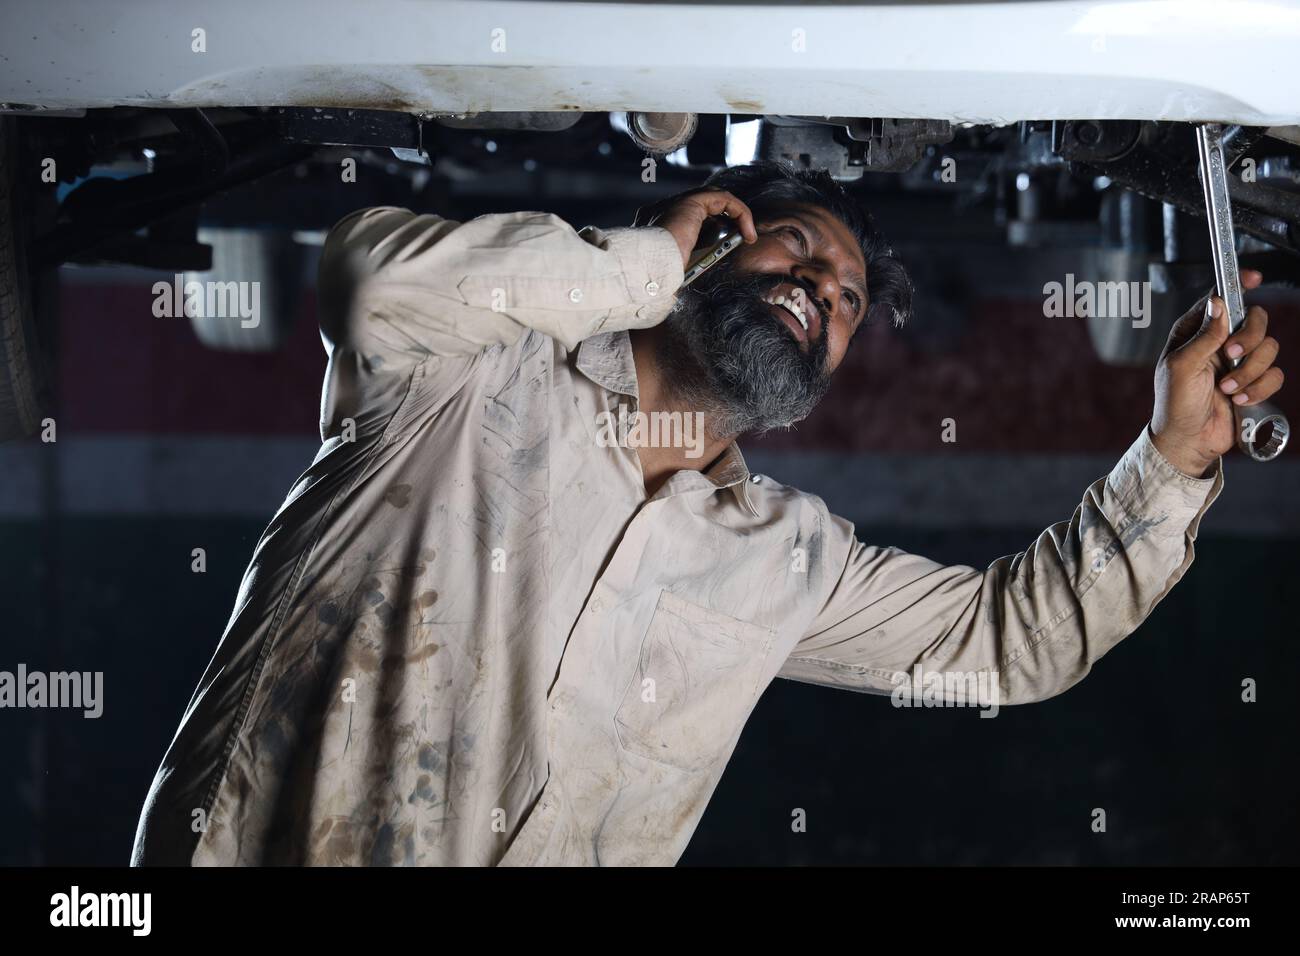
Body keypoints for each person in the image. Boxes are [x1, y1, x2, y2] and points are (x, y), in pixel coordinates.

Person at [132, 161, 1283, 866]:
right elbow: (376, 280)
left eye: (845, 302)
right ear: (711, 231)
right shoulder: (464, 377)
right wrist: (644, 260)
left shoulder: (788, 558)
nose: (822, 292)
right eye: (797, 246)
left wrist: (1173, 454)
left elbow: (1001, 646)